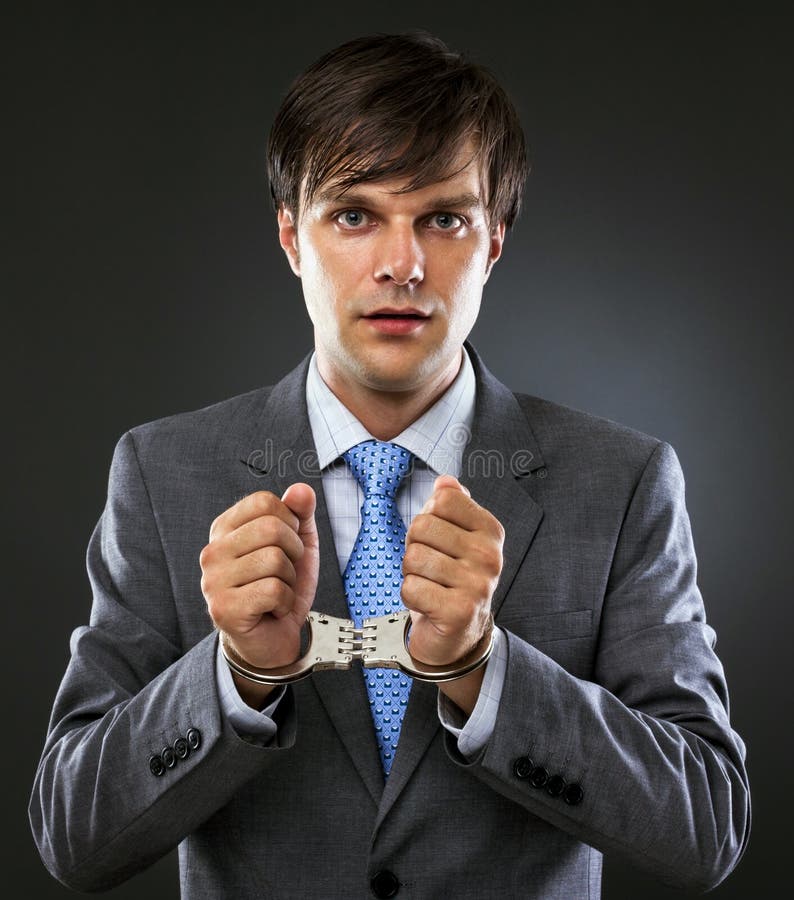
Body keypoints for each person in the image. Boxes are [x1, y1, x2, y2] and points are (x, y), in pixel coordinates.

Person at [29, 31, 750, 899]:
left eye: (443, 218)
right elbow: (72, 838)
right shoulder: (160, 471)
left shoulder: (625, 481)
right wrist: (236, 676)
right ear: (293, 237)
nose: (401, 264)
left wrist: (486, 667)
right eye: (354, 214)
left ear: (494, 241)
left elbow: (707, 828)